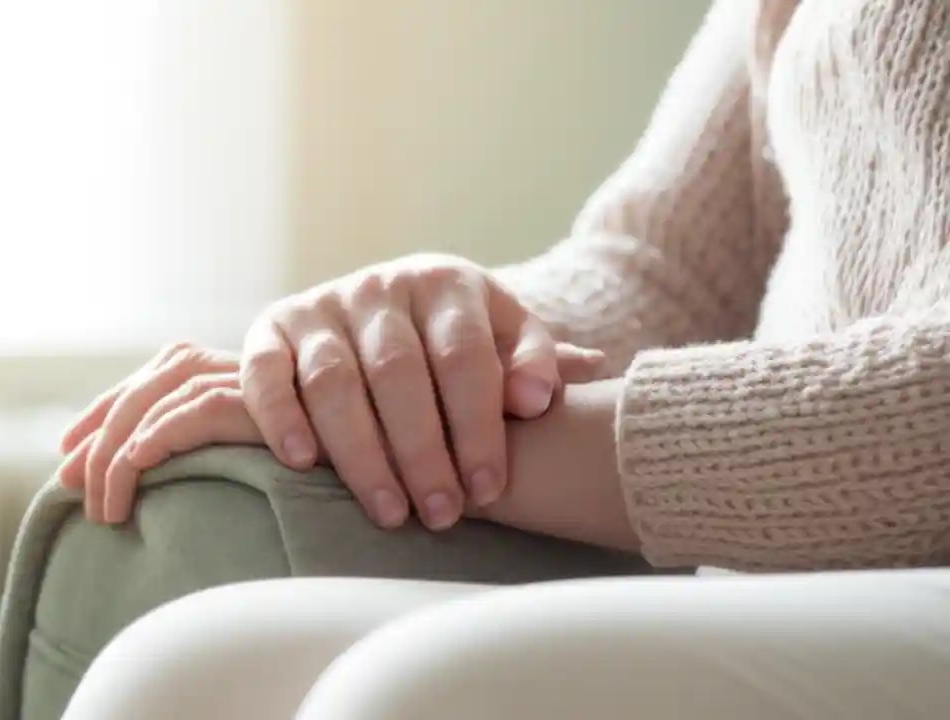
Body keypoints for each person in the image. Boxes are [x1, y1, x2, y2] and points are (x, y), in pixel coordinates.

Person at [56, 1, 950, 717]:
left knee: (424, 697)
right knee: (187, 675)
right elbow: (666, 273)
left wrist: (447, 436)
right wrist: (422, 348)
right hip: (791, 589)